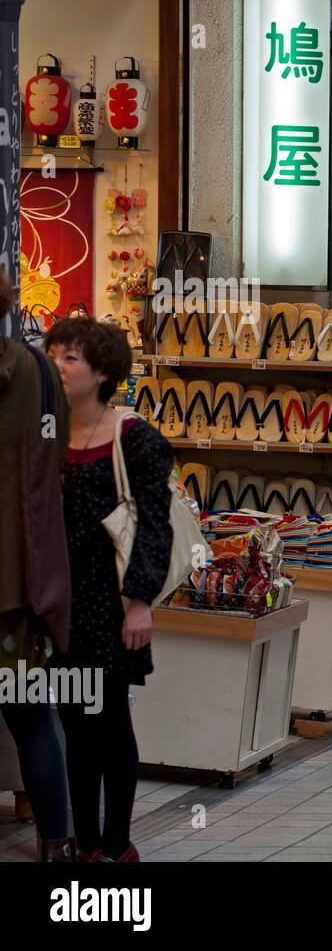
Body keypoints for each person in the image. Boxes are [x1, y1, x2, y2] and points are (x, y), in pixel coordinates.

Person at [46, 317, 175, 863]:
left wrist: (141, 601)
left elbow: (154, 522)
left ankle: (118, 845)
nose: (58, 365)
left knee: (110, 724)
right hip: (60, 603)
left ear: (101, 373)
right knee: (75, 725)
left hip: (113, 603)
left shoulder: (132, 436)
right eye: (53, 354)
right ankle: (87, 844)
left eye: (70, 358)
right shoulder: (48, 433)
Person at [0, 272, 73, 861]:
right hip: (21, 579)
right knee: (31, 715)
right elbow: (59, 453)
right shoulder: (40, 372)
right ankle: (57, 840)